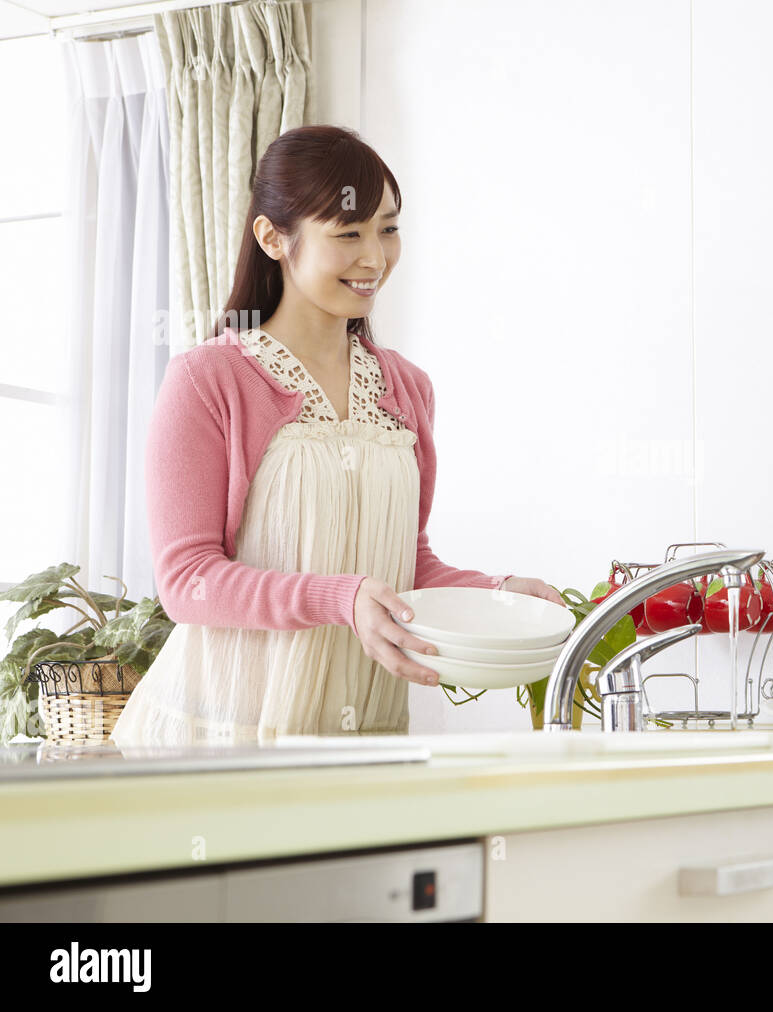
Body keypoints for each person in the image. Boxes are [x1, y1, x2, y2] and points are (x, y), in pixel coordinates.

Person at [111, 125, 563, 746]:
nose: (374, 257)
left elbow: (403, 560)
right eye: (348, 233)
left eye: (388, 228)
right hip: (223, 734)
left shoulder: (407, 387)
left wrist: (502, 592)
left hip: (362, 737)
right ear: (273, 238)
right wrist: (338, 600)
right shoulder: (209, 379)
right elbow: (187, 582)